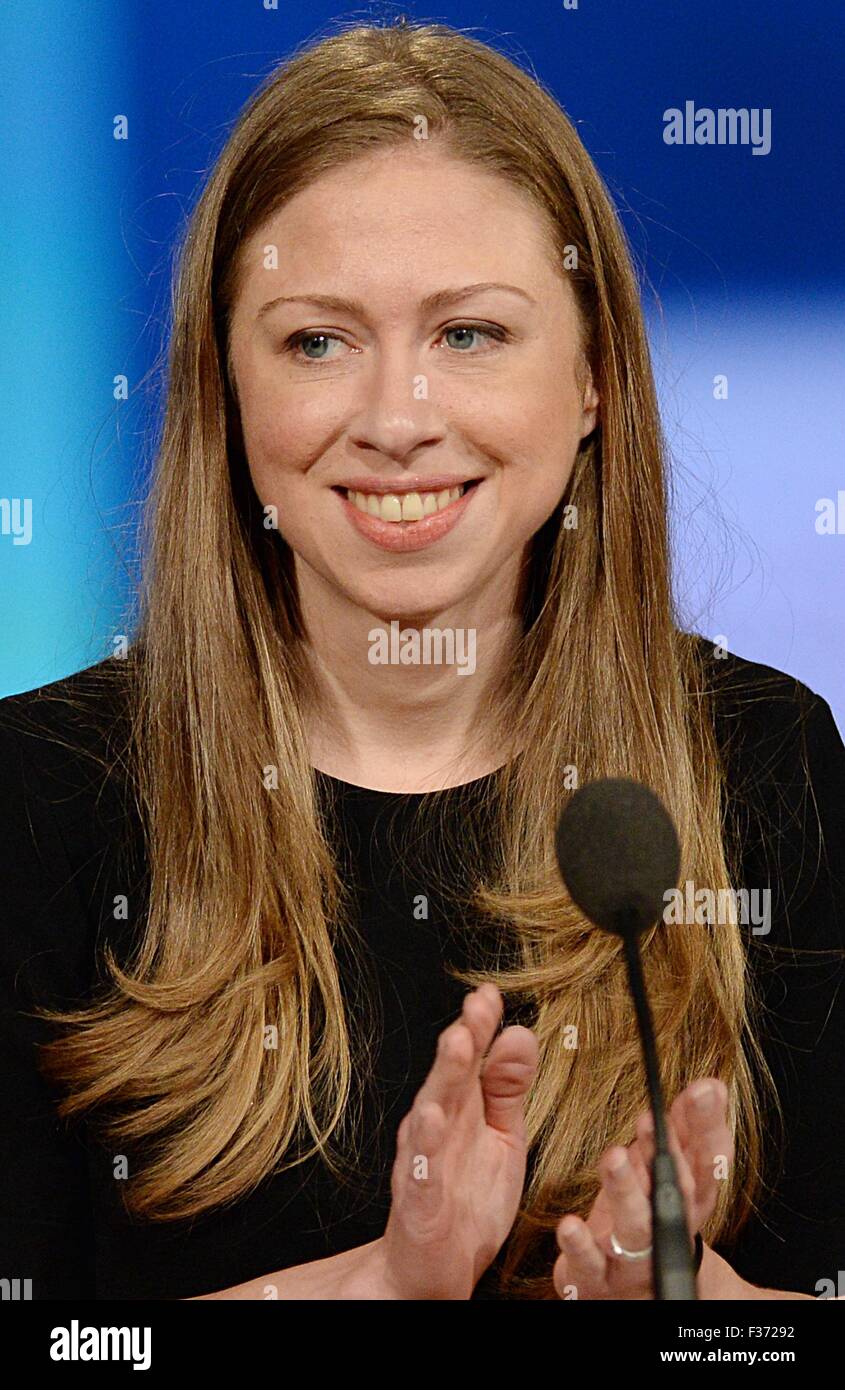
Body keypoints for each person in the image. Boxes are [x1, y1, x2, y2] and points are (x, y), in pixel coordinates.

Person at [1, 20, 843, 1302]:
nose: (395, 420)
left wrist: (707, 1321)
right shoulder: (38, 794)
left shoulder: (762, 759)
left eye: (469, 334)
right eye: (316, 343)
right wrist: (376, 1288)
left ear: (593, 380)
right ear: (224, 395)